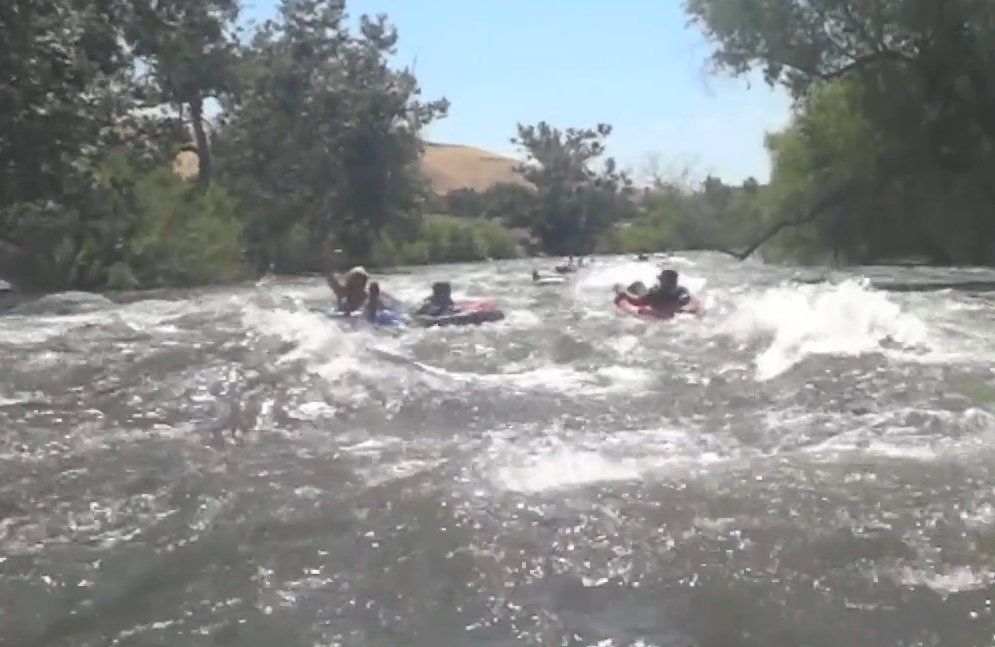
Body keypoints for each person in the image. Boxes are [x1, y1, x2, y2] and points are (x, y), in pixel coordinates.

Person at [616, 269, 692, 310]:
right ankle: (622, 287)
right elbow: (638, 301)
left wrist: (683, 301)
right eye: (669, 280)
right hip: (645, 293)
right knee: (638, 285)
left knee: (640, 285)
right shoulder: (655, 294)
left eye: (673, 281)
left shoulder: (681, 291)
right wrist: (624, 296)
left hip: (653, 296)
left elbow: (686, 297)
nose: (672, 283)